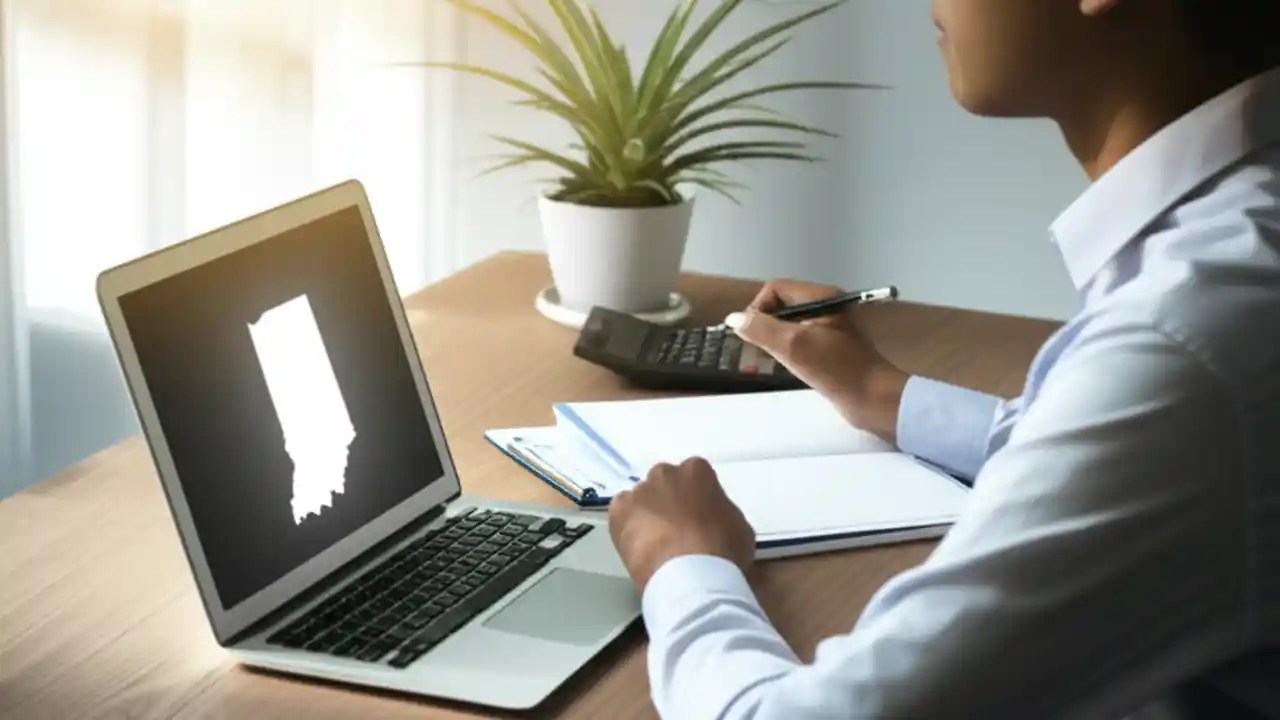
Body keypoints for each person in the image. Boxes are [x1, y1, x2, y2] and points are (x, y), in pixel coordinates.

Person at [605, 0, 1280, 717]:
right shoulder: (1232, 251)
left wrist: (683, 566)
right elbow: (1141, 456)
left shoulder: (1189, 337)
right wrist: (883, 393)